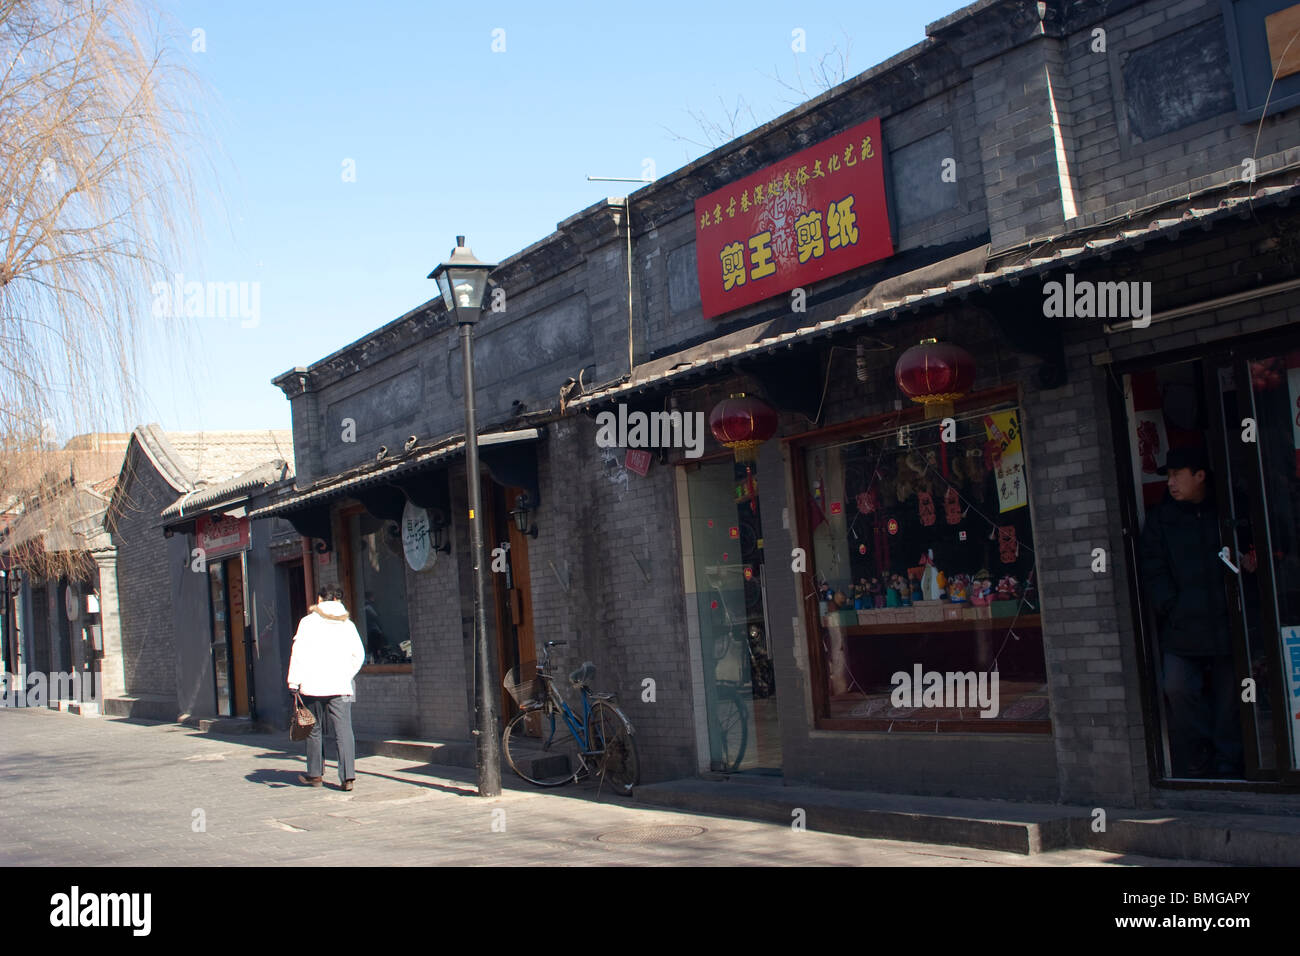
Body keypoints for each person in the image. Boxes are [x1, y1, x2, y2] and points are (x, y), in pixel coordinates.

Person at [1139, 445, 1251, 778]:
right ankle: (1200, 751)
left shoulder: (1228, 509)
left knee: (1230, 696)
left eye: (1177, 475)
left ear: (1199, 475)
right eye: (1169, 476)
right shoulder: (1162, 519)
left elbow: (1255, 546)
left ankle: (1228, 759)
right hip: (1182, 625)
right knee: (1176, 686)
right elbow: (1153, 568)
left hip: (1227, 619)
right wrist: (1170, 605)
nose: (1171, 482)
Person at [286, 586, 365, 790]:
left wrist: (294, 682)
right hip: (341, 685)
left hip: (312, 685)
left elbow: (298, 653)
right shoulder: (347, 624)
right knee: (344, 730)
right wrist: (347, 674)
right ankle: (348, 777)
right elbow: (359, 655)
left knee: (313, 728)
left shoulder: (307, 622)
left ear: (320, 600)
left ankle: (315, 774)